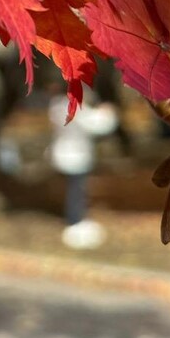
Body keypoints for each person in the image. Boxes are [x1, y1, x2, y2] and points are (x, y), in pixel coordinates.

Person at [48, 95, 118, 249]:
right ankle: (74, 221)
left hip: (63, 153)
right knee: (76, 191)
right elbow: (97, 124)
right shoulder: (74, 107)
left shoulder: (56, 104)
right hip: (75, 156)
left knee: (74, 189)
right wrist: (107, 113)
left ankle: (75, 219)